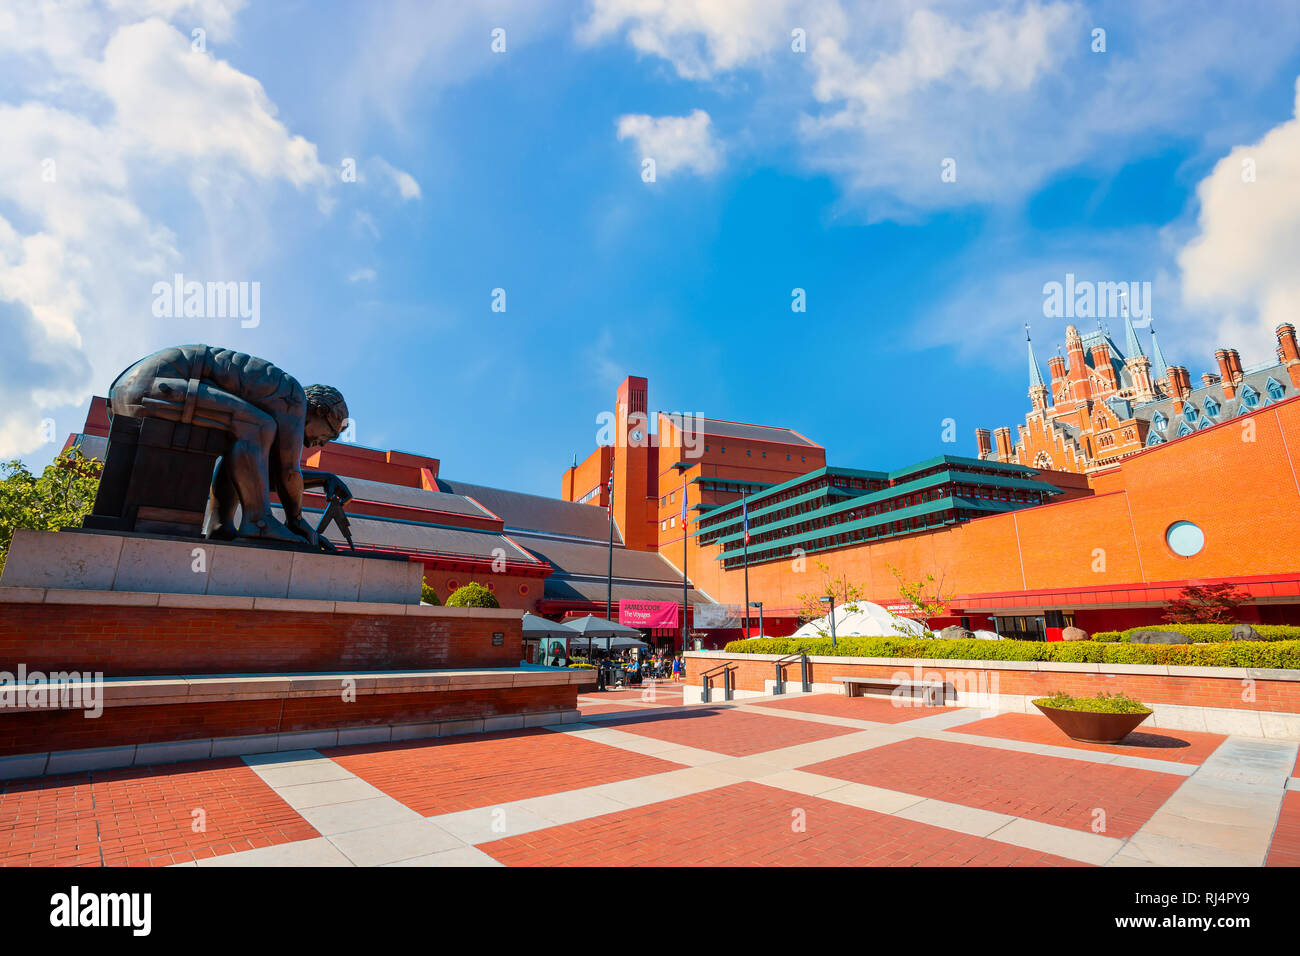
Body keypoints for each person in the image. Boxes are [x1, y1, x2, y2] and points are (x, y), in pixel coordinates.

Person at [108, 344, 351, 548]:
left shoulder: (276, 401)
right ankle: (258, 522)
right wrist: (296, 521)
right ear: (320, 411)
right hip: (155, 384)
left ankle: (220, 525)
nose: (321, 444)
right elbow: (288, 472)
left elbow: (257, 475)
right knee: (257, 426)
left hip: (133, 389)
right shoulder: (294, 397)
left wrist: (323, 479)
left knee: (244, 441)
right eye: (328, 435)